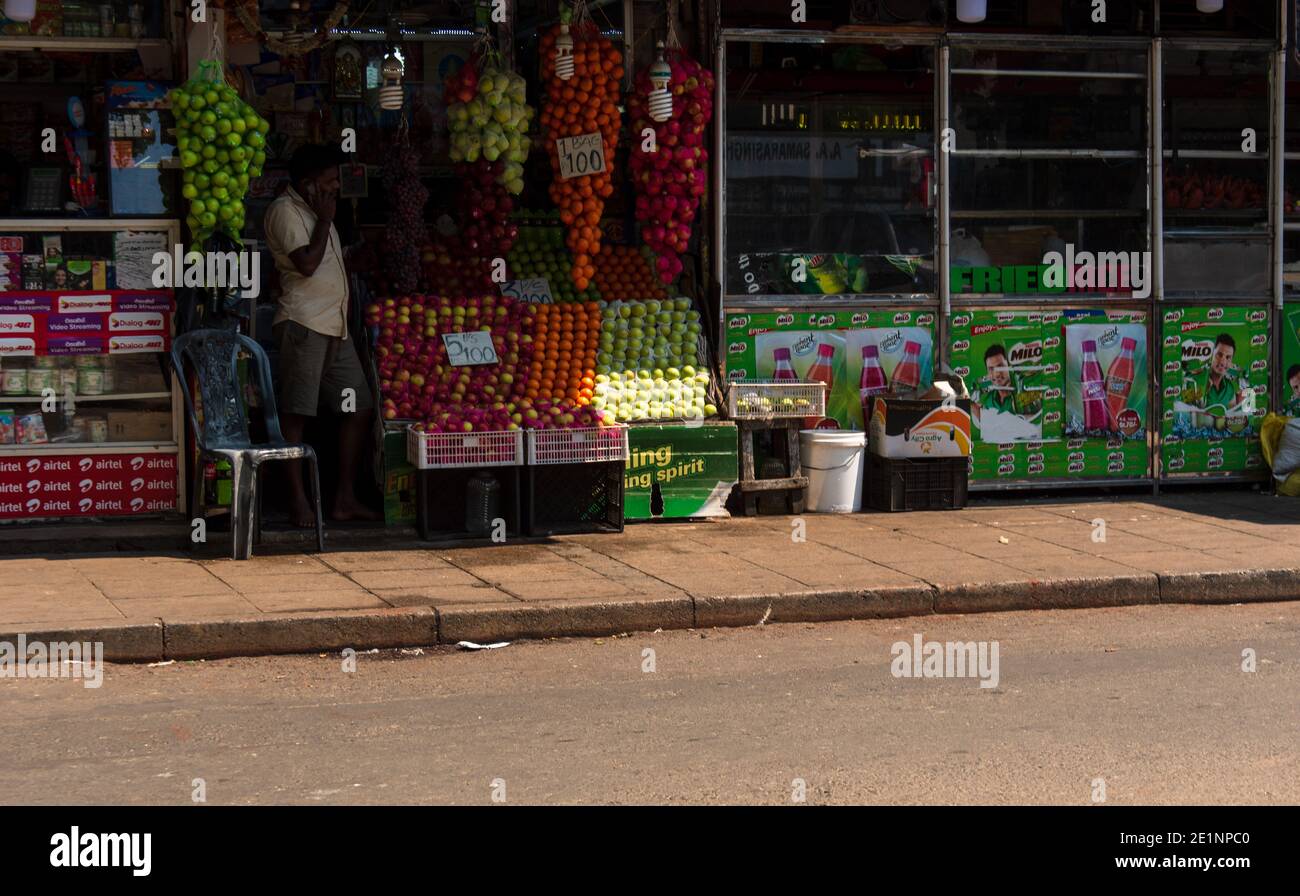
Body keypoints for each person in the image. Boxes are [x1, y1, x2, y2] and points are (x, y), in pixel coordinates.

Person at [264, 144, 379, 526]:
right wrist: (327, 220)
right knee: (296, 415)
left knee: (358, 407)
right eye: (330, 182)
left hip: (335, 328)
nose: (336, 188)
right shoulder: (285, 211)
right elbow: (307, 264)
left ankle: (343, 498)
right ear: (309, 183)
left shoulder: (315, 209)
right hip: (305, 327)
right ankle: (298, 504)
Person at [1194, 333, 1243, 412]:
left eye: (1228, 357)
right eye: (1219, 355)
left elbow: (1232, 416)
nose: (1223, 362)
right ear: (1210, 355)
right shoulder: (1195, 382)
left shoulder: (1229, 388)